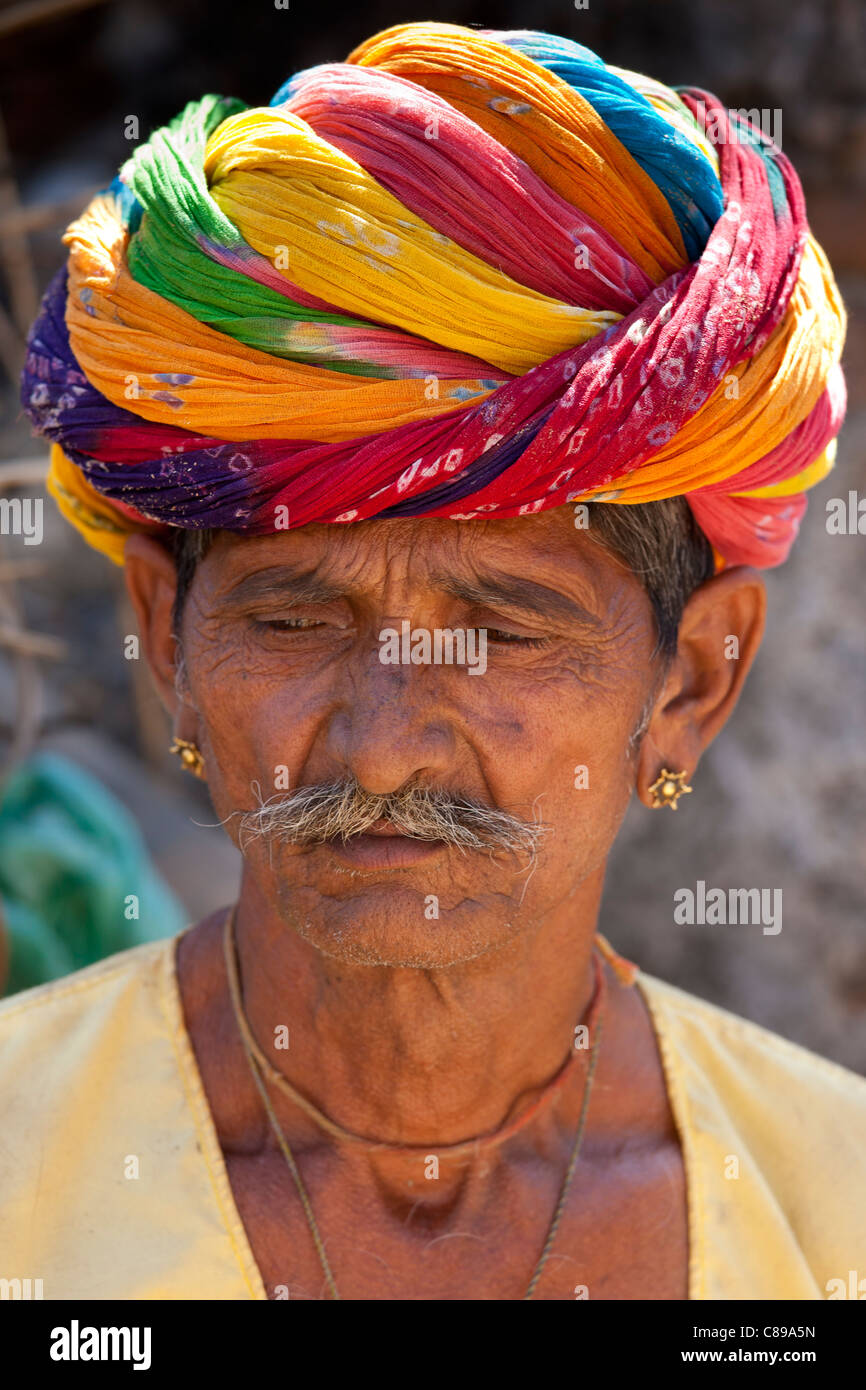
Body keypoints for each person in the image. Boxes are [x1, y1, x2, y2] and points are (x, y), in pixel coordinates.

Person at [5, 21, 863, 1301]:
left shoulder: (828, 1207)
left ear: (690, 683)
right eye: (293, 620)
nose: (382, 742)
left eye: (504, 632)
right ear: (168, 640)